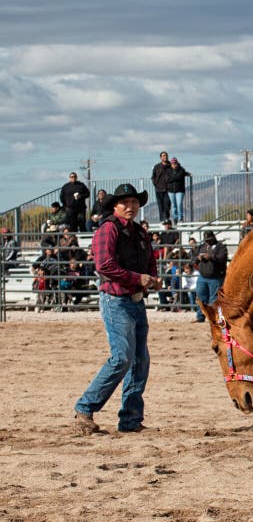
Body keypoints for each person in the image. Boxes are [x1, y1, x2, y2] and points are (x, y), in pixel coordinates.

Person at [73, 183, 161, 434]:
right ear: (115, 206)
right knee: (122, 357)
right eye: (126, 203)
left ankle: (131, 420)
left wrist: (151, 278)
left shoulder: (140, 233)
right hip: (116, 299)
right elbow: (104, 266)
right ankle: (85, 407)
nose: (131, 207)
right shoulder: (108, 229)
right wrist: (139, 279)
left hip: (134, 300)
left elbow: (150, 262)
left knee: (139, 361)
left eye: (135, 203)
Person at [192, 231, 228, 323]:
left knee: (214, 299)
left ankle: (214, 317)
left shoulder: (220, 247)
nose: (207, 241)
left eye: (209, 239)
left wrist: (211, 257)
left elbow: (222, 258)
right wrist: (198, 258)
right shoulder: (201, 247)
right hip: (202, 276)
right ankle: (200, 316)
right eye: (206, 240)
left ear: (213, 237)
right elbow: (193, 258)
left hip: (215, 277)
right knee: (200, 298)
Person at [166, 157, 190, 223]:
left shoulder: (181, 170)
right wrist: (175, 178)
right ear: (171, 164)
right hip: (171, 190)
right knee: (173, 205)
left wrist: (173, 178)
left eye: (175, 163)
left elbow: (179, 176)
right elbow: (168, 179)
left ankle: (180, 218)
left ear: (177, 163)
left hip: (180, 190)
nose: (174, 164)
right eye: (172, 163)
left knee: (179, 204)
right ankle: (175, 218)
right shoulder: (168, 170)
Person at [151, 151, 172, 222]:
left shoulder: (171, 166)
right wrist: (155, 184)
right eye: (163, 156)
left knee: (167, 205)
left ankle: (166, 219)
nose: (165, 157)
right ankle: (162, 220)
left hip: (168, 189)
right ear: (160, 157)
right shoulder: (157, 167)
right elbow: (153, 177)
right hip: (158, 189)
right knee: (160, 206)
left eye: (166, 155)